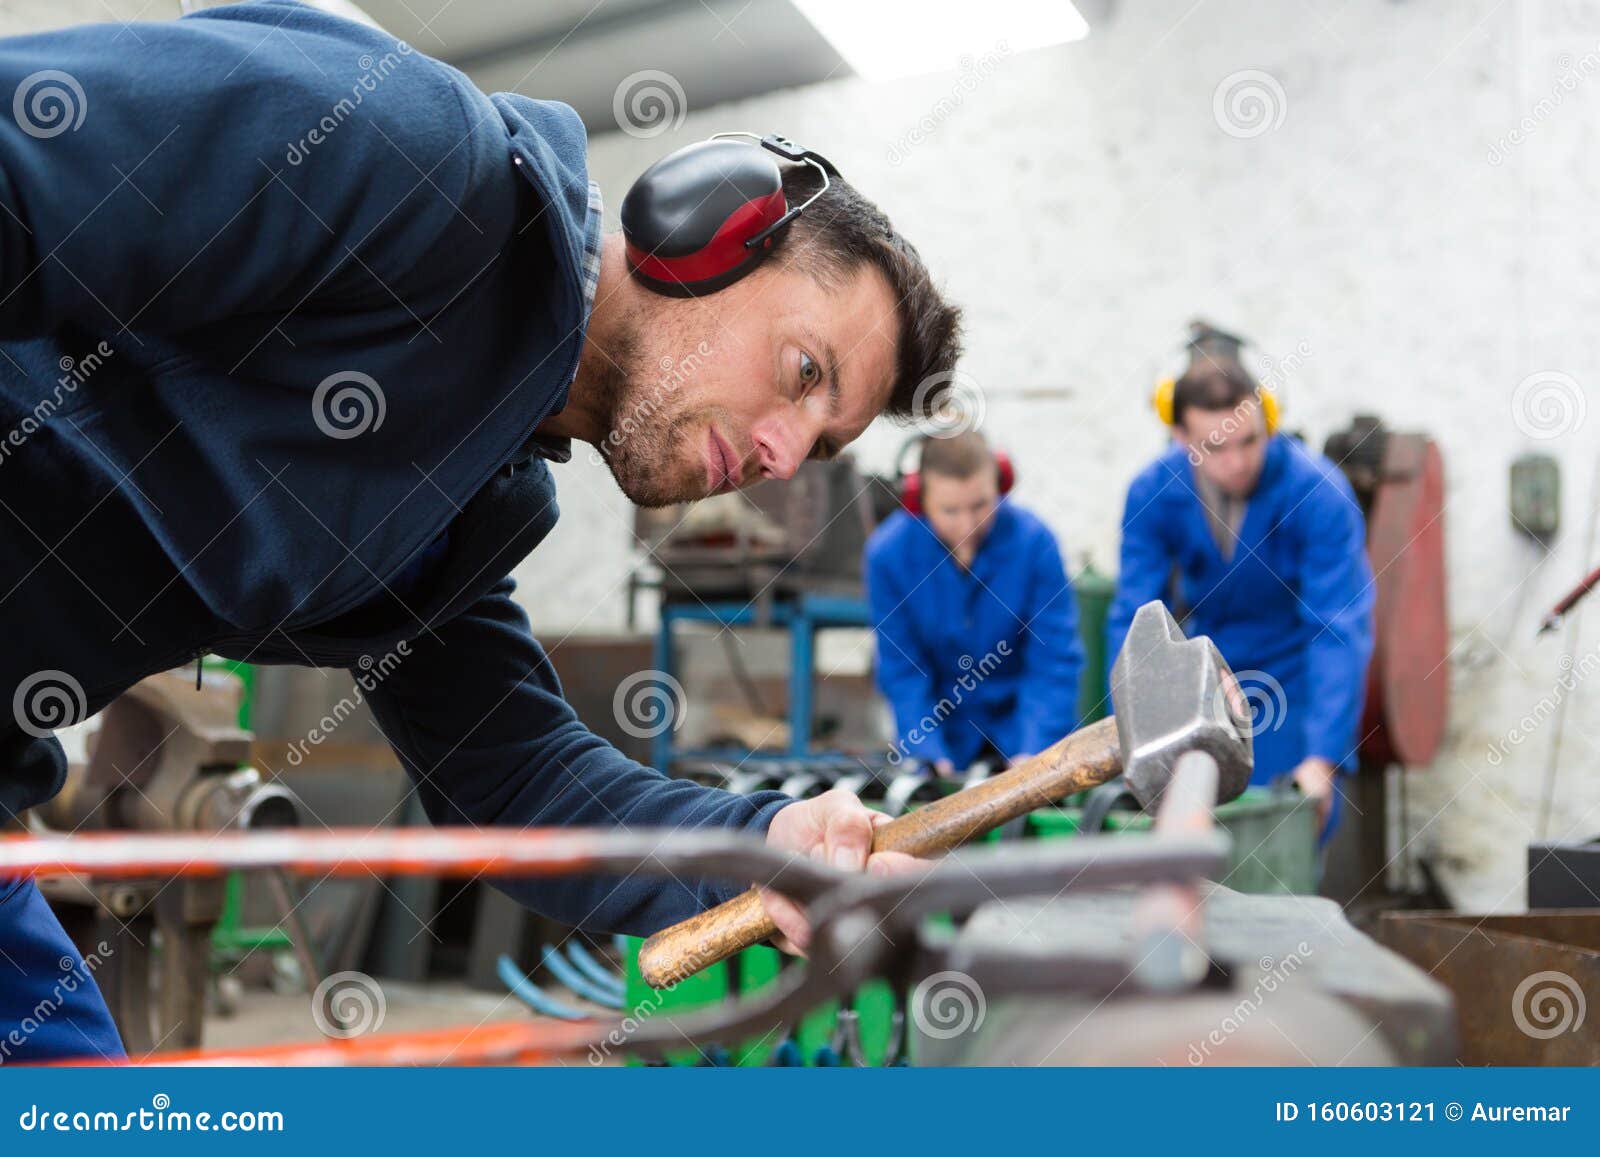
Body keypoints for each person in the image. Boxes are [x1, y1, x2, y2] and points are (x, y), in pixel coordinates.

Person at [0, 0, 962, 1061]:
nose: (784, 451)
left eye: (821, 444)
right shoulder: (406, 158)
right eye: (801, 373)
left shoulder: (469, 504)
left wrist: (760, 848)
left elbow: (514, 773)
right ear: (702, 227)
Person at [1106, 323, 1374, 832]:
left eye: (1249, 441)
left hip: (1294, 687)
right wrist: (1131, 740)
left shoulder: (1320, 494)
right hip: (1204, 685)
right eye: (1215, 447)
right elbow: (1132, 620)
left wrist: (1321, 758)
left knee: (1282, 844)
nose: (1236, 462)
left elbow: (1338, 629)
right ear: (1180, 435)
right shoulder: (1151, 494)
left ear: (1269, 418)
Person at [865, 432, 1083, 775]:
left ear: (1001, 484)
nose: (968, 525)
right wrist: (928, 753)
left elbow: (1053, 661)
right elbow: (902, 669)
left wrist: (1034, 752)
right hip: (942, 738)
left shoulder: (1036, 543)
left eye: (981, 505)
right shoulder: (888, 556)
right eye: (950, 511)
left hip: (1023, 734)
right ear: (917, 499)